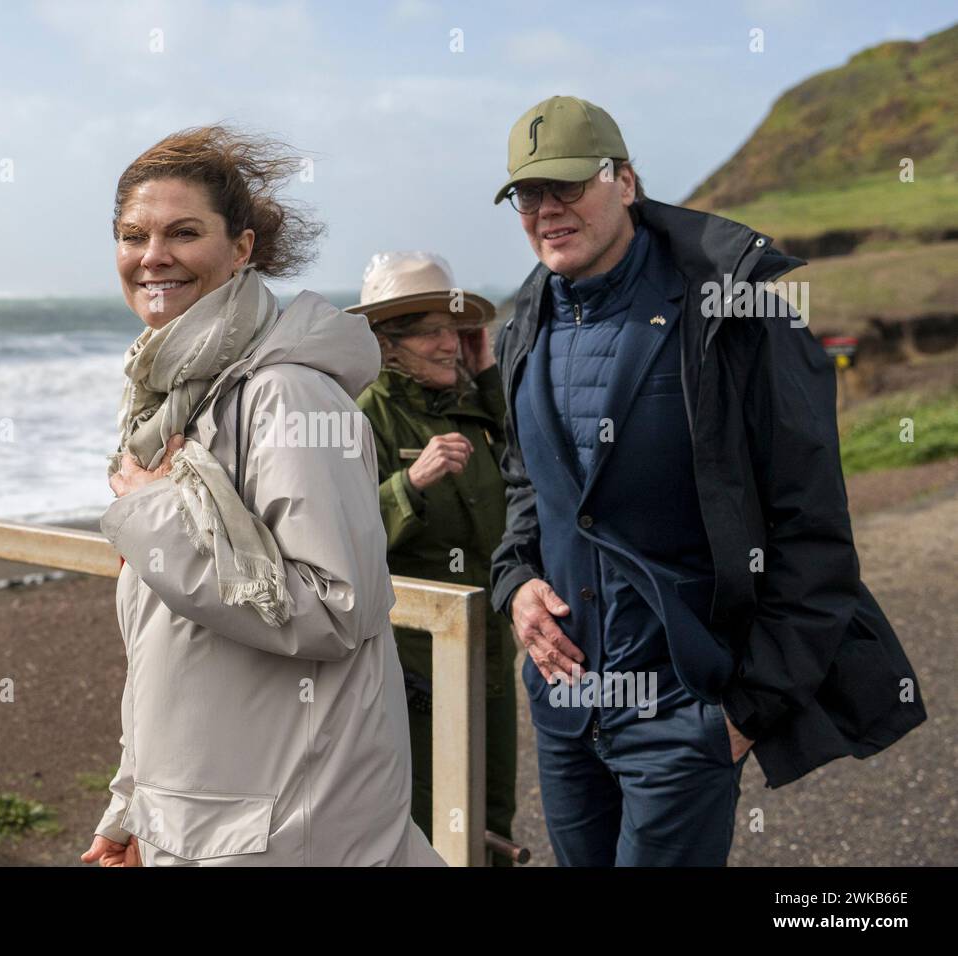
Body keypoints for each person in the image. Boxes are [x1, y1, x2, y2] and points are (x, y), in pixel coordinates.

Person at [488, 95, 926, 865]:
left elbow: (811, 530)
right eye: (528, 194)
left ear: (624, 181)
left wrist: (743, 712)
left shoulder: (738, 308)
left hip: (683, 714)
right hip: (566, 715)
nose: (546, 210)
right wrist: (516, 581)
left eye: (567, 186)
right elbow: (529, 487)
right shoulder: (524, 321)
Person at [80, 125, 444, 867]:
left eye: (184, 232)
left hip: (290, 827)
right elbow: (168, 648)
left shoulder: (288, 394)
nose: (153, 256)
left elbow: (336, 610)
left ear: (242, 248)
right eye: (133, 234)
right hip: (205, 819)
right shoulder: (174, 401)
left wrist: (152, 518)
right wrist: (133, 803)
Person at [347, 252, 517, 866]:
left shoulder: (475, 405)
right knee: (426, 812)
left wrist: (490, 373)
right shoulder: (362, 414)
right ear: (387, 344)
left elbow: (535, 469)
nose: (449, 344)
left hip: (491, 644)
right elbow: (333, 538)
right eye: (431, 332)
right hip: (415, 663)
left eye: (456, 329)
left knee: (495, 808)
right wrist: (408, 485)